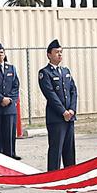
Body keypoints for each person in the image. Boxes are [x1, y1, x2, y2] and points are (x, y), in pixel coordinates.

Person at [39, 39, 77, 171]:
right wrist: (63, 112)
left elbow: (73, 90)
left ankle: (71, 173)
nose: (60, 55)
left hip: (69, 116)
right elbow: (50, 95)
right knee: (56, 148)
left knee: (69, 148)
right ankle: (53, 175)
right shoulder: (45, 73)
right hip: (56, 117)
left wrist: (72, 109)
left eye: (61, 52)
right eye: (56, 52)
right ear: (49, 55)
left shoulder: (65, 71)